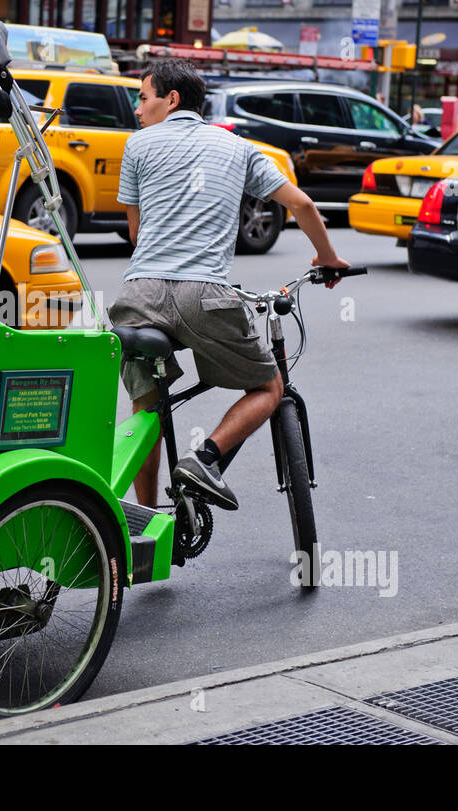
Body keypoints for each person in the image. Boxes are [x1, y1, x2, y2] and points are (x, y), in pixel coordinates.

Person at [108, 58, 349, 510]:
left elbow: (137, 236)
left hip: (136, 295)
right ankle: (204, 459)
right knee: (268, 388)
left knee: (147, 407)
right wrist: (329, 258)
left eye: (143, 98)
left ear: (171, 99)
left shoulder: (137, 146)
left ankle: (153, 519)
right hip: (203, 294)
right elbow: (301, 204)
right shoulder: (236, 148)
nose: (137, 110)